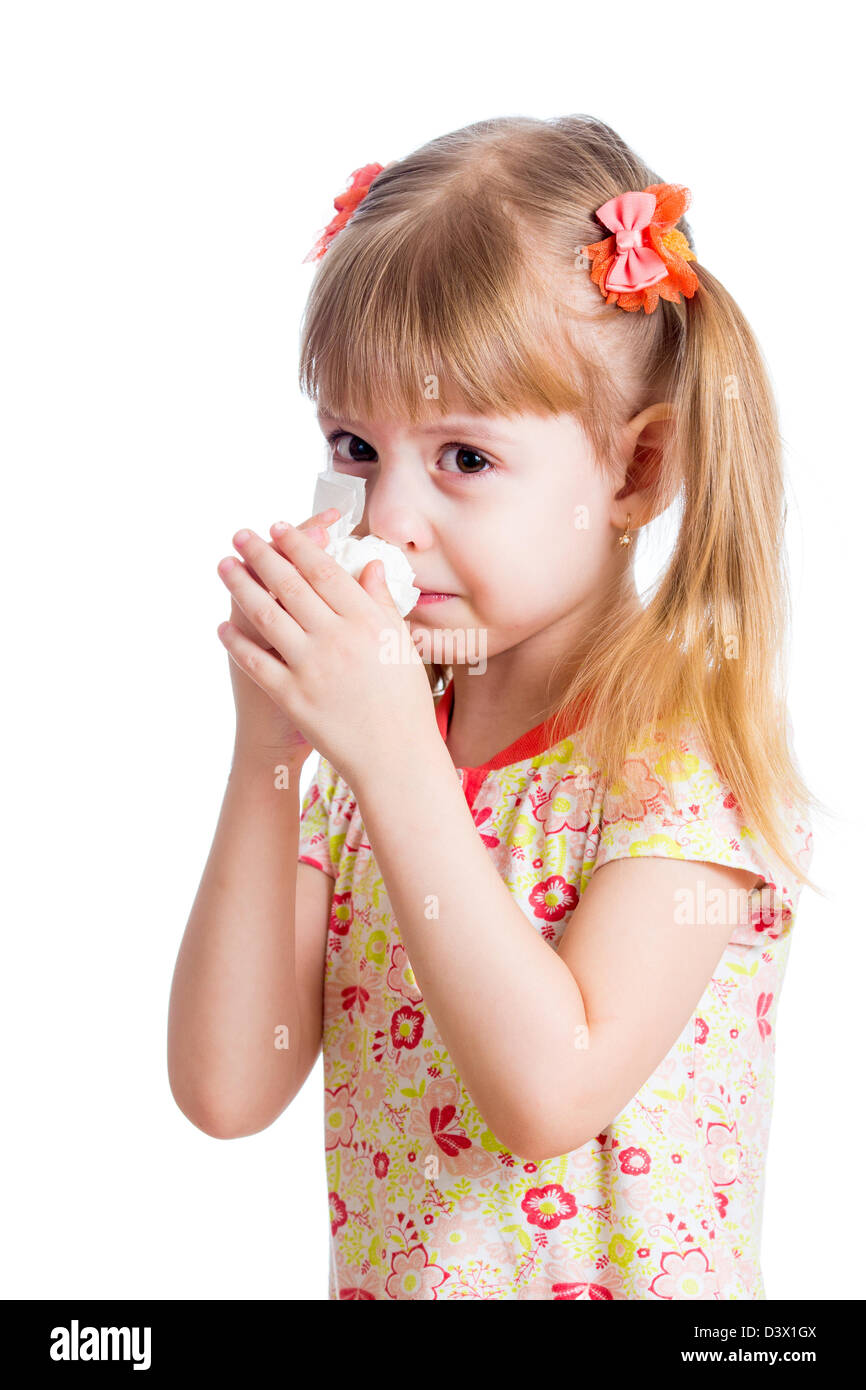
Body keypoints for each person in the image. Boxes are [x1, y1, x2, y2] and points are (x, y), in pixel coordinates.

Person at [169, 114, 822, 1300]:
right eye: (356, 446)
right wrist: (272, 744)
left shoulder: (675, 763)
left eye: (464, 458)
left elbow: (547, 1095)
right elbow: (227, 1086)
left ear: (630, 473)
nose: (388, 520)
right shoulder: (376, 762)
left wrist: (390, 759)